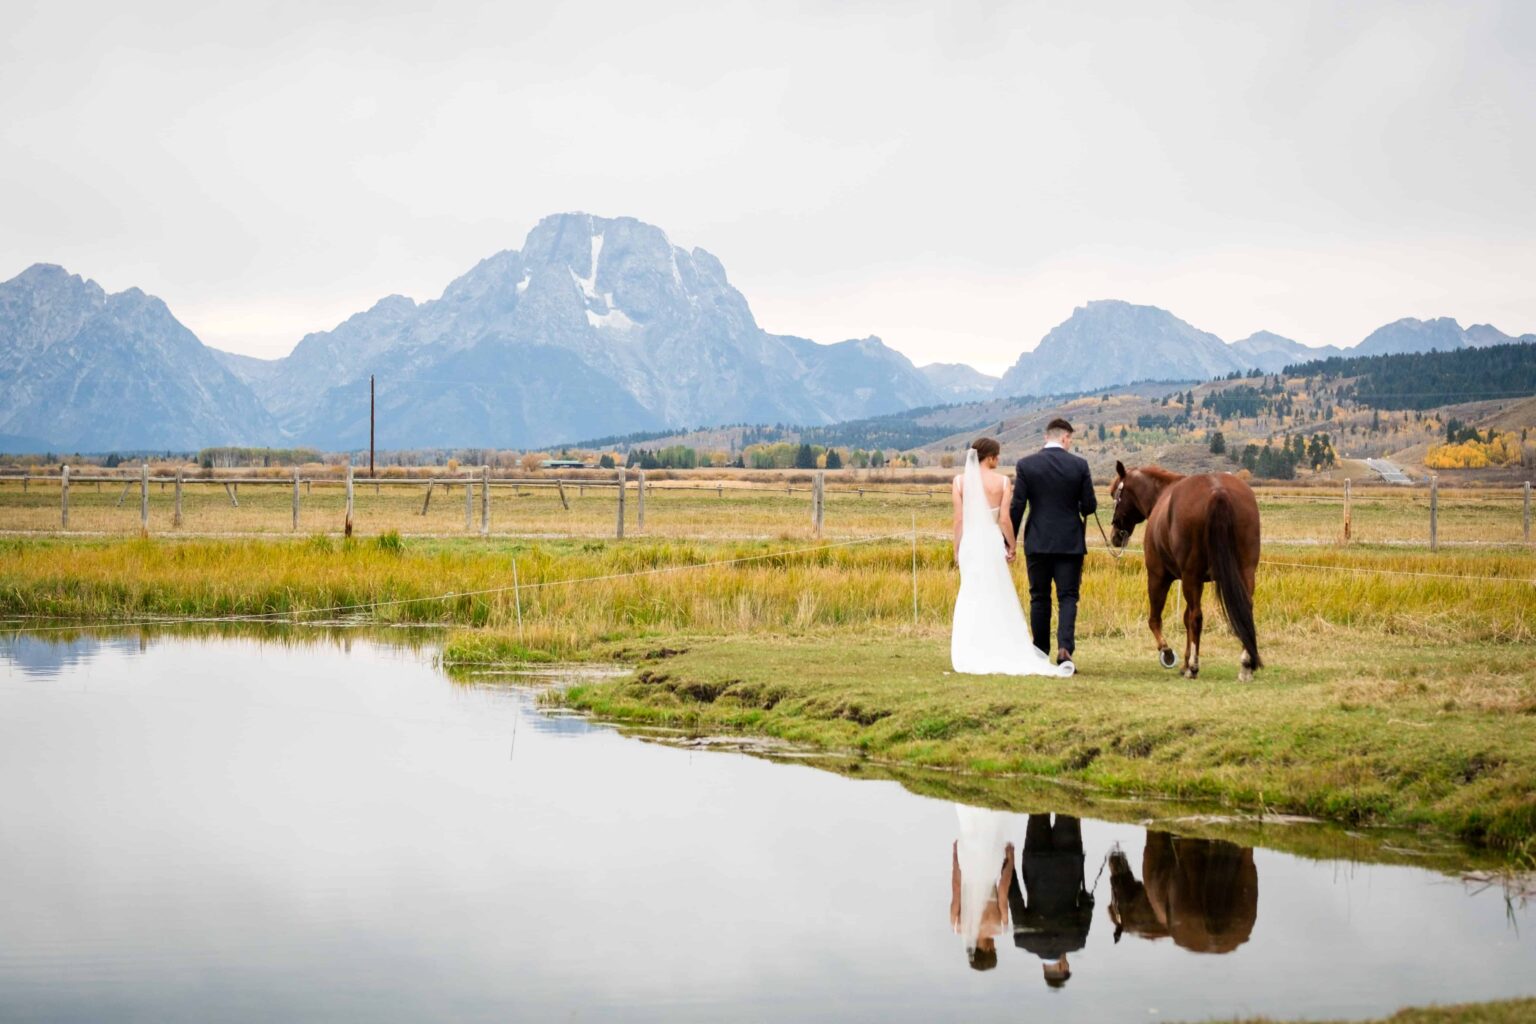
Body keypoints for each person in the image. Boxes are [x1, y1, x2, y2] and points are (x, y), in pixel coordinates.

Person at [951, 438, 1072, 677]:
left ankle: (971, 647)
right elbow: (1005, 519)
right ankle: (999, 644)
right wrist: (1012, 545)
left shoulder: (959, 482)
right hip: (991, 542)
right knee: (996, 591)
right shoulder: (1003, 482)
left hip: (971, 544)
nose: (998, 459)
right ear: (990, 457)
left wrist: (957, 549)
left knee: (971, 592)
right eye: (997, 455)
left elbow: (959, 520)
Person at [1009, 418, 1096, 672]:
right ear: (1065, 438)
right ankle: (1065, 649)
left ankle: (1039, 651)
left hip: (1037, 541)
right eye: (1070, 440)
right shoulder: (1079, 465)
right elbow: (1089, 506)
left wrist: (1009, 541)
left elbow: (1018, 506)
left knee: (1039, 597)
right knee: (1068, 597)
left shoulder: (1026, 465)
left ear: (1047, 437)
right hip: (1069, 542)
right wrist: (1075, 504)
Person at [1009, 813, 1094, 987]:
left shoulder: (1076, 941)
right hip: (1035, 862)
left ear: (1062, 967)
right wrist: (1009, 865)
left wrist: (1085, 898)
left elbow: (1086, 905)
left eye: (1067, 965)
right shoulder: (1023, 940)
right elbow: (1015, 899)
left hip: (1068, 862)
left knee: (1067, 812)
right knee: (1037, 812)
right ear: (1044, 969)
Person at [951, 805, 1014, 971]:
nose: (994, 946)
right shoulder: (958, 926)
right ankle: (964, 797)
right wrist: (956, 859)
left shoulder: (1000, 927)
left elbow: (1003, 891)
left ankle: (990, 798)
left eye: (993, 950)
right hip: (968, 867)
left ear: (987, 950)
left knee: (990, 829)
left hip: (990, 869)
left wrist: (1010, 862)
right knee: (967, 829)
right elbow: (957, 889)